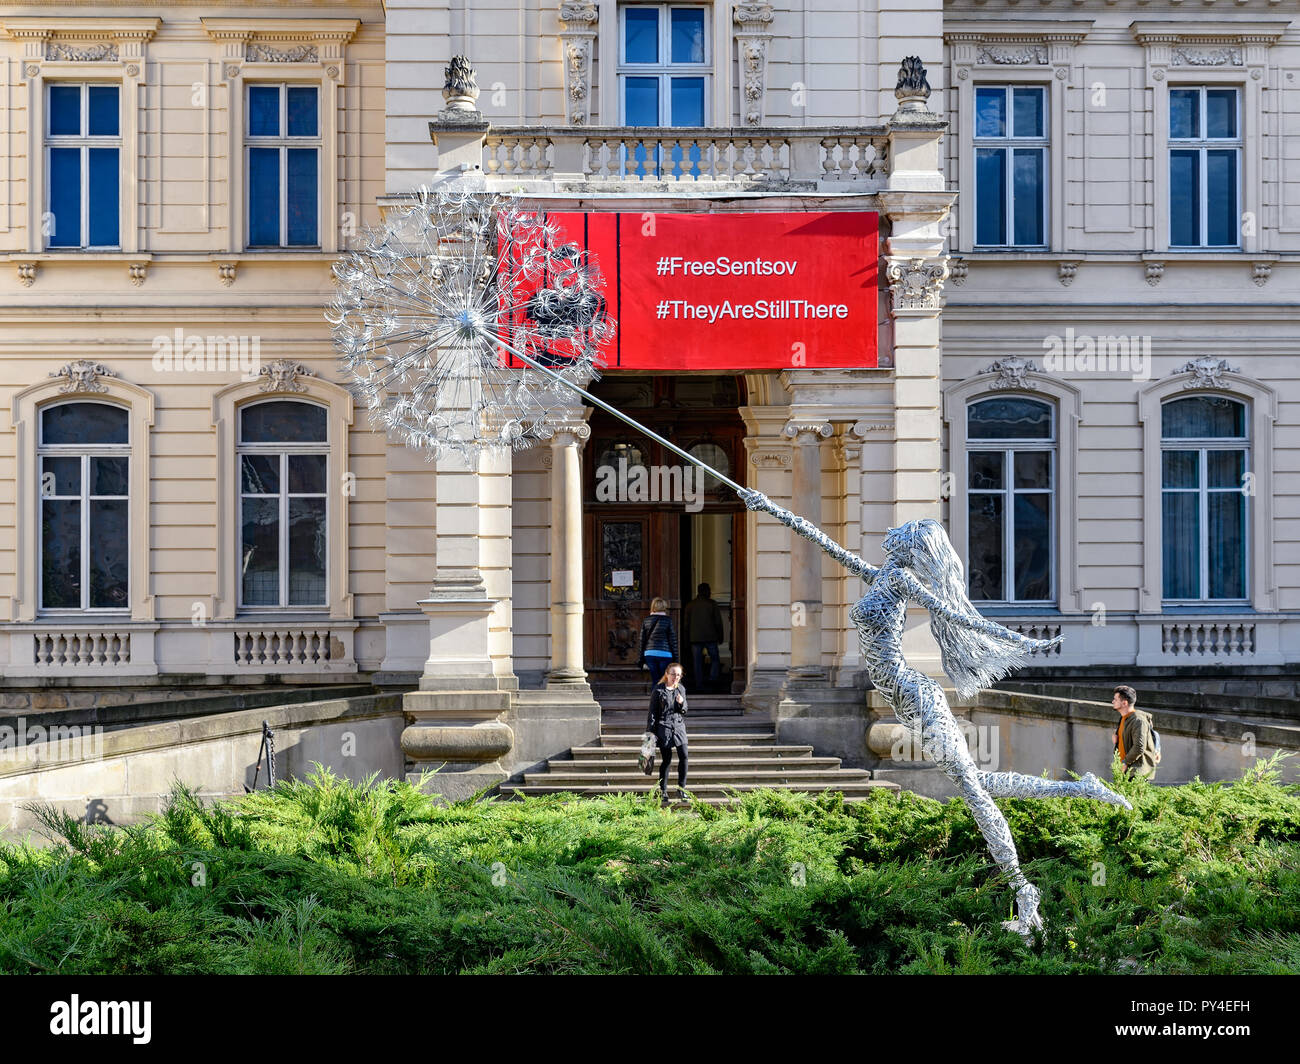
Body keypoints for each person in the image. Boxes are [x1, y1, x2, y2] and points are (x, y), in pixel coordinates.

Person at [740, 490, 1131, 934]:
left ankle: (1025, 892)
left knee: (975, 791)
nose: (889, 535)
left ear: (911, 548)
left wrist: (1026, 643)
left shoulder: (904, 583)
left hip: (915, 694)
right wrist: (769, 508)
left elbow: (960, 617)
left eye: (899, 535)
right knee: (977, 783)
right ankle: (1081, 793)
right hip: (904, 701)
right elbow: (824, 543)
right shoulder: (881, 577)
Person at [646, 661, 689, 802]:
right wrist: (650, 734)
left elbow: (685, 710)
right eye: (673, 674)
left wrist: (681, 702)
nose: (675, 677)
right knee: (667, 760)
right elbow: (652, 713)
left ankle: (681, 790)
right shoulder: (658, 690)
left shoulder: (681, 689)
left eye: (678, 675)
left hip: (678, 728)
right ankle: (663, 791)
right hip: (663, 728)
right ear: (667, 674)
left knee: (684, 757)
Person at [683, 582, 724, 692]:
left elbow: (686, 625)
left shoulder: (690, 605)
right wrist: (721, 636)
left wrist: (686, 640)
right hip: (711, 637)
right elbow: (718, 622)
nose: (710, 592)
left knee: (697, 662)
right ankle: (713, 679)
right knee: (715, 659)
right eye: (709, 590)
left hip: (695, 638)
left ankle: (699, 684)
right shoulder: (712, 604)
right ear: (706, 591)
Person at [1112, 685, 1157, 780]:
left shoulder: (1138, 720)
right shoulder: (1124, 718)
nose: (1112, 702)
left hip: (1137, 772)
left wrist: (1125, 763)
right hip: (1125, 770)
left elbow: (1139, 747)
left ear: (1124, 703)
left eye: (1115, 699)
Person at [638, 597, 678, 691]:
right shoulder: (668, 620)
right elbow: (673, 641)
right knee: (665, 680)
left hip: (650, 654)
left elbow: (641, 641)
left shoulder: (646, 620)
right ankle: (665, 703)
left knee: (655, 680)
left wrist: (641, 659)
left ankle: (655, 701)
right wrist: (676, 658)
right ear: (664, 607)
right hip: (665, 654)